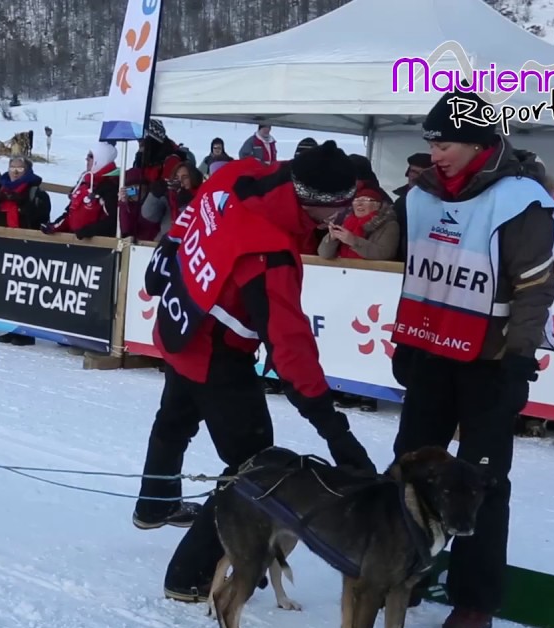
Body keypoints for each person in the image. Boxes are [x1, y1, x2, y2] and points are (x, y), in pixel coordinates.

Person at [136, 144, 376, 602]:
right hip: (215, 351)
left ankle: (155, 502)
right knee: (256, 468)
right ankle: (190, 574)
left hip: (181, 322)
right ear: (319, 202)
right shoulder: (270, 252)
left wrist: (169, 248)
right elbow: (290, 348)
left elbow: (199, 201)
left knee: (174, 420)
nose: (343, 213)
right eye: (341, 205)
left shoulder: (244, 172)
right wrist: (334, 429)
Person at [390, 91, 554, 628]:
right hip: (432, 351)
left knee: (482, 479)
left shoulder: (521, 202)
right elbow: (421, 271)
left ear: (480, 143)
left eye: (444, 142)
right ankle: (403, 568)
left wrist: (519, 361)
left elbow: (534, 292)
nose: (434, 152)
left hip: (490, 362)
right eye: (431, 143)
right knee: (411, 463)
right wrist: (407, 339)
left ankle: (474, 596)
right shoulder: (420, 195)